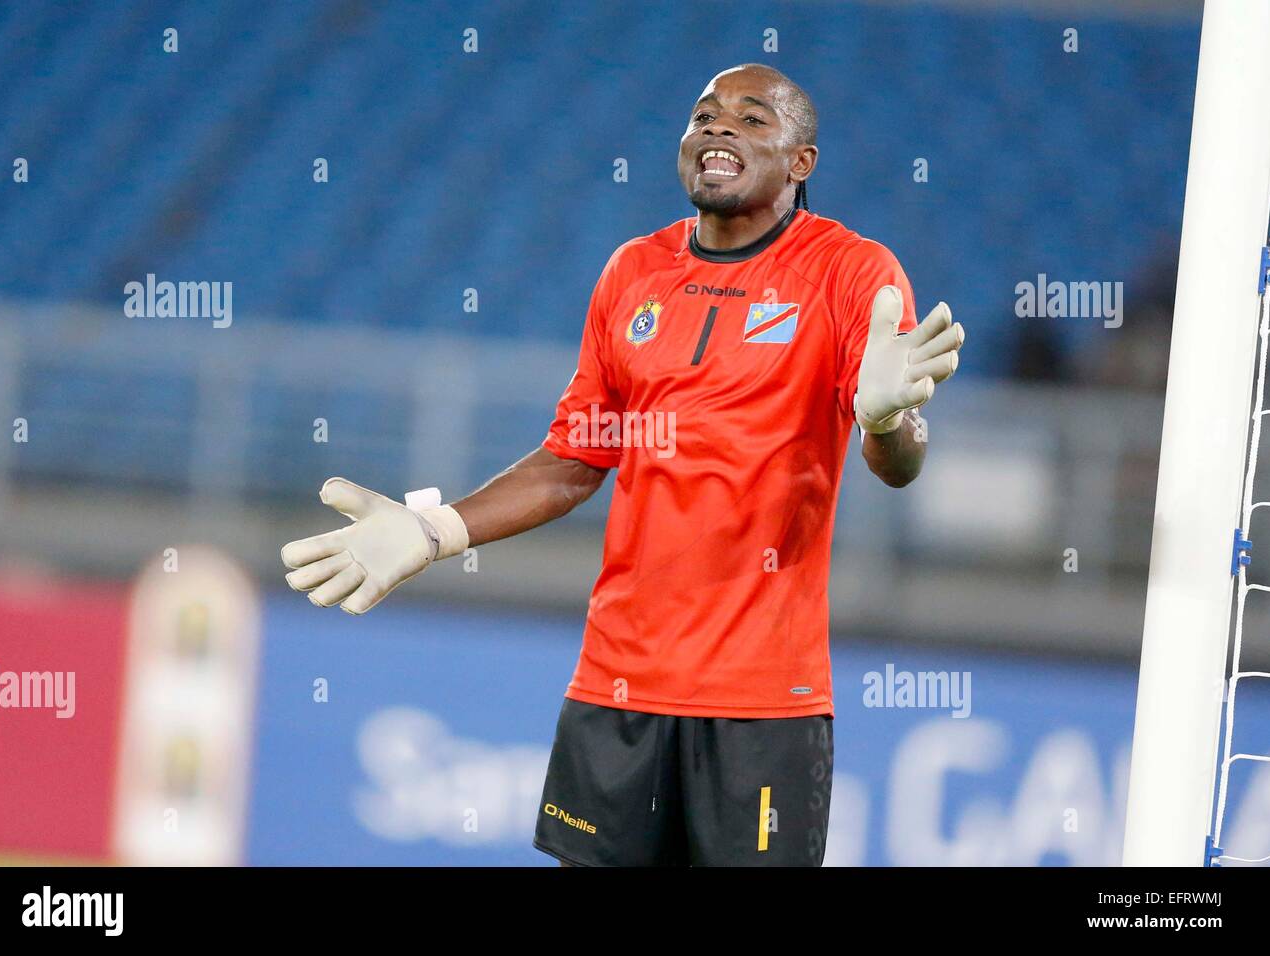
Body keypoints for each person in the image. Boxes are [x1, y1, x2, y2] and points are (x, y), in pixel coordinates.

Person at [280, 63, 965, 866]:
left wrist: (884, 420)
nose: (717, 129)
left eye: (751, 119)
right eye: (704, 115)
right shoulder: (633, 272)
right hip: (617, 687)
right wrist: (435, 529)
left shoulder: (852, 274)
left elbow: (899, 466)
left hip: (762, 703)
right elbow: (577, 457)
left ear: (801, 163)